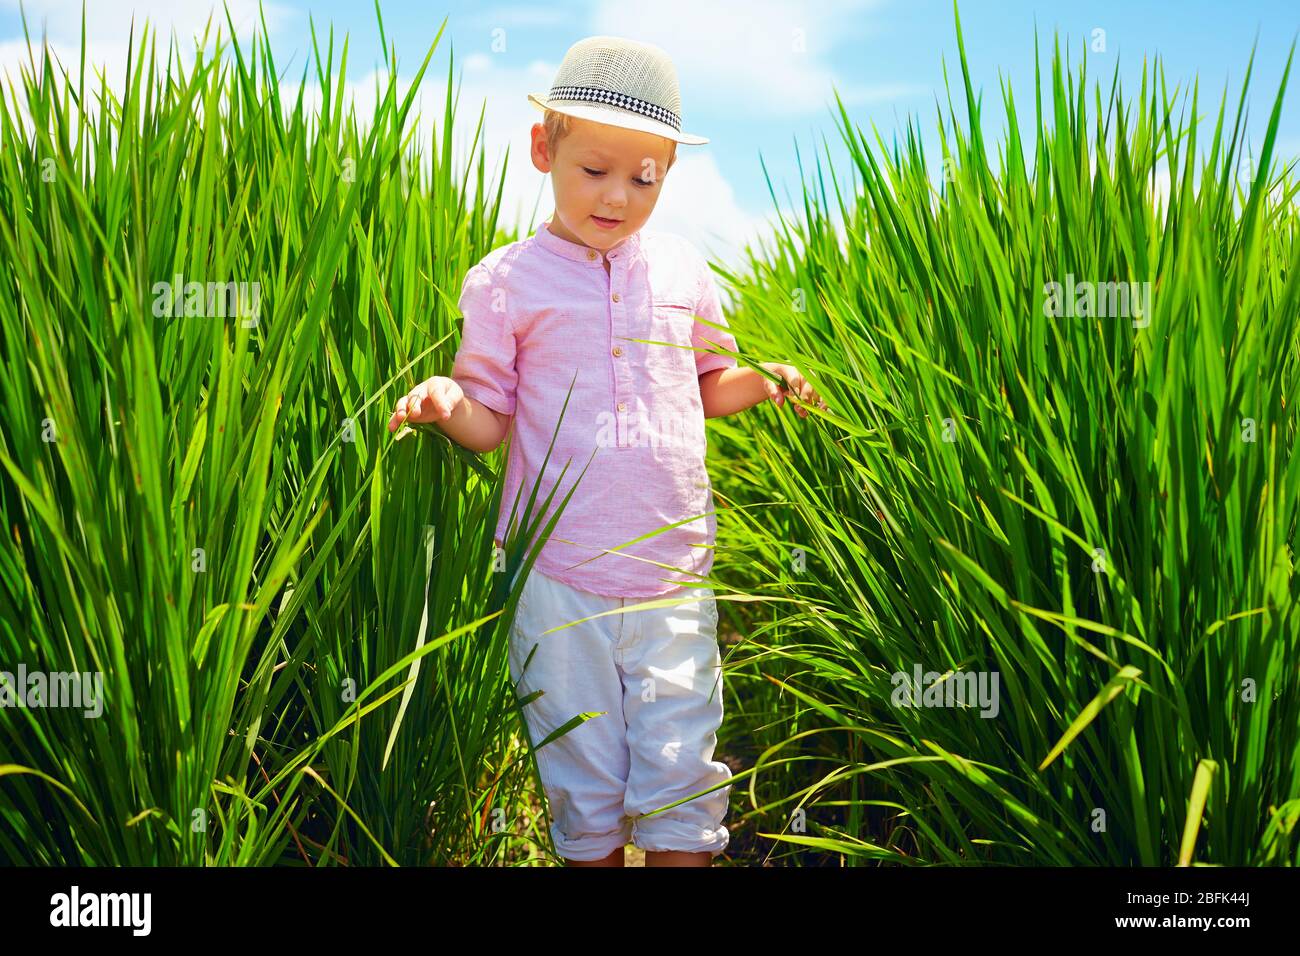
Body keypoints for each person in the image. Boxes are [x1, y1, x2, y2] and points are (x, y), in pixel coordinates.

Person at [387, 35, 824, 867]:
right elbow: (493, 420)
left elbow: (706, 386)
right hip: (556, 576)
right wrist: (450, 403)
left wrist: (763, 380)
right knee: (581, 780)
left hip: (671, 566)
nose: (617, 196)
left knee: (682, 778)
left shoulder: (683, 273)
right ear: (543, 149)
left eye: (644, 178)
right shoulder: (505, 282)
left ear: (666, 173)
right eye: (594, 170)